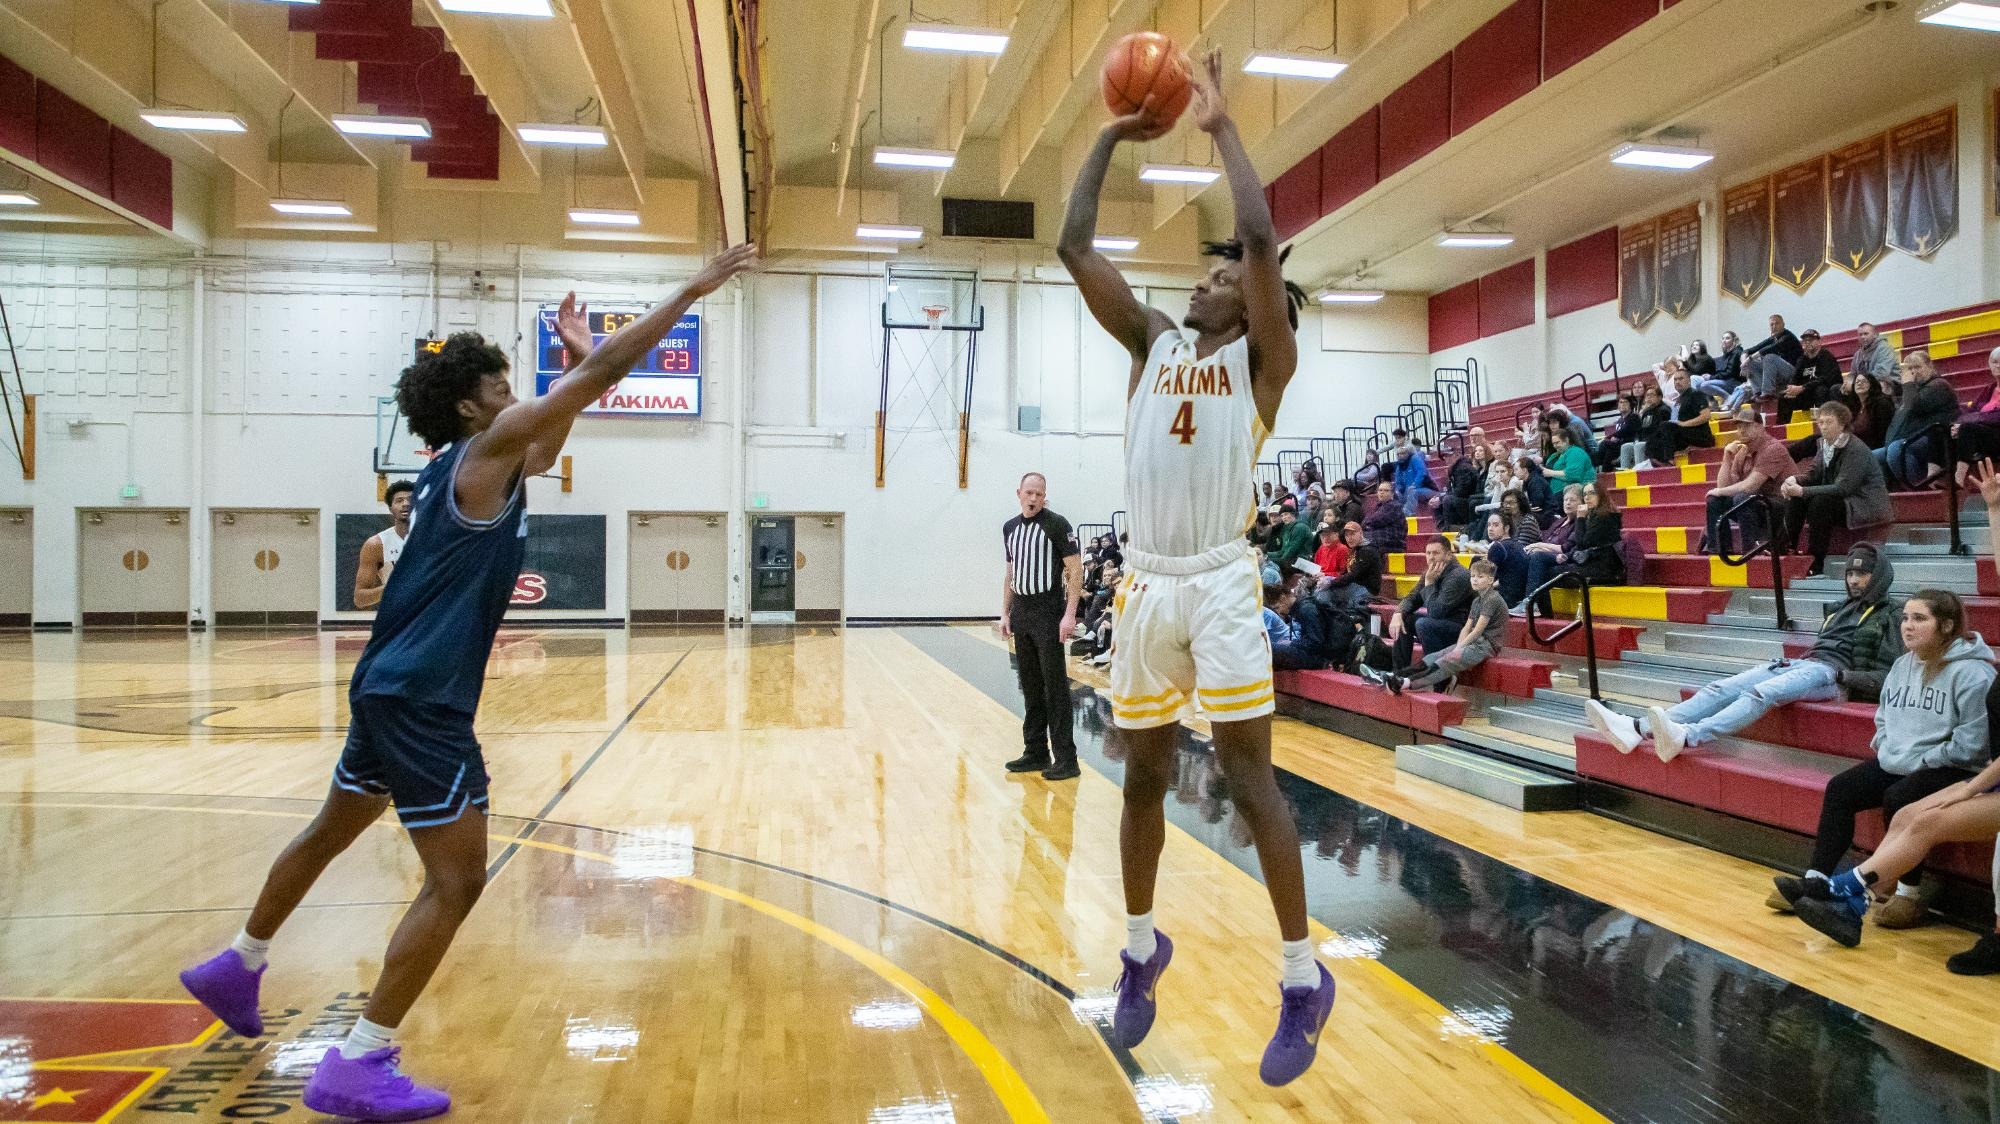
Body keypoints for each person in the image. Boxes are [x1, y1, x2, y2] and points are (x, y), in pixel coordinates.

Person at [176, 249, 762, 1118]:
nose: (511, 396)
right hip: (423, 700)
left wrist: (565, 359)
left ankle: (238, 961)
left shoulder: (482, 463)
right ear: (469, 404)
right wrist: (685, 294)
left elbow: (559, 423)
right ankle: (359, 1059)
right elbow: (604, 376)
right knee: (456, 884)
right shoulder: (482, 453)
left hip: (385, 686)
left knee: (333, 827)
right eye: (500, 384)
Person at [1056, 49, 1332, 1084]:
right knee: (1140, 780)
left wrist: (1217, 127)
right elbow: (1071, 241)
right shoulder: (1153, 340)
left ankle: (1302, 975)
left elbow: (1260, 238)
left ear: (1256, 311)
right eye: (1207, 273)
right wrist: (1111, 134)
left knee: (1250, 776)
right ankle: (1137, 953)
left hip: (1218, 577)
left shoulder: (1260, 368)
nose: (1206, 279)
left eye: (1222, 279)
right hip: (1144, 579)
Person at [1789, 589, 1997, 949]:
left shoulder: (1974, 674)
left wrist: (1917, 761)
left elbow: (1972, 746)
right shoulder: (1903, 664)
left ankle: (1907, 895)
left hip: (1952, 766)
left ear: (1946, 625)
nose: (1907, 626)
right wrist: (1886, 746)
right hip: (1902, 759)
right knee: (1842, 787)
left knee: (1901, 797)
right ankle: (1817, 880)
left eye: (1919, 619)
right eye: (1905, 618)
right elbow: (1883, 716)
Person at [1588, 543, 1899, 762]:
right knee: (1719, 688)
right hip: (1804, 664)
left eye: (1863, 574)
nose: (1854, 580)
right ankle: (1636, 728)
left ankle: (1689, 736)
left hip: (1832, 675)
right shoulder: (1839, 608)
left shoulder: (1893, 614)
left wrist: (1847, 676)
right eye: (1850, 574)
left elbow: (1891, 673)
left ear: (1879, 576)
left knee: (1761, 693)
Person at [1000, 471, 1084, 781]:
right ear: (1018, 492)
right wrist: (1005, 613)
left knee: (1055, 688)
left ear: (1044, 496)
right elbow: (1010, 574)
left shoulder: (1057, 525)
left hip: (1049, 612)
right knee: (1030, 685)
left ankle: (1066, 758)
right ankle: (1035, 751)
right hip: (1022, 612)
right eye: (1029, 493)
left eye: (1039, 494)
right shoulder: (1010, 528)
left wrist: (1069, 615)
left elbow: (1075, 572)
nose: (1033, 498)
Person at [1783, 402, 1894, 577]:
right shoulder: (1825, 444)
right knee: (1798, 495)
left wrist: (1803, 491)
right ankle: (1786, 546)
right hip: (1842, 500)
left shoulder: (1855, 448)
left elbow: (1844, 488)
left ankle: (1816, 561)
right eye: (1821, 422)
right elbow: (1813, 474)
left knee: (1819, 502)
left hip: (1863, 503)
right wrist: (1792, 481)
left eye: (1829, 422)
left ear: (1842, 424)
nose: (1824, 427)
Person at [1373, 559, 1508, 695]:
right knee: (1432, 657)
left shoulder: (1492, 599)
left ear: (1490, 580)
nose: (1475, 580)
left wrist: (1460, 648)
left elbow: (1478, 630)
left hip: (1487, 645)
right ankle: (1397, 676)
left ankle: (1406, 683)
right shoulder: (1477, 601)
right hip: (1473, 642)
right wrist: (1459, 646)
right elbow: (1467, 627)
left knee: (1446, 661)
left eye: (1480, 577)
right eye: (1473, 576)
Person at [1703, 409, 1795, 556]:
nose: (1741, 430)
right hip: (1757, 504)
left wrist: (1720, 491)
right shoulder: (1742, 452)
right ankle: (1719, 549)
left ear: (1760, 426)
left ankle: (1751, 550)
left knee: (1743, 497)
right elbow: (1724, 487)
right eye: (1739, 427)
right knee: (1715, 500)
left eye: (1746, 426)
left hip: (1783, 506)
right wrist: (1726, 457)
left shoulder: (1773, 448)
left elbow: (1751, 486)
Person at [1387, 537, 1472, 672]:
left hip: (1462, 628)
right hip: (1441, 623)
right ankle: (1400, 674)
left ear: (1449, 555)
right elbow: (1412, 597)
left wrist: (1429, 584)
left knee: (1424, 624)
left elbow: (1435, 612)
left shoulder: (1458, 575)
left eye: (1435, 553)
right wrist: (1398, 613)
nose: (1431, 558)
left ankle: (1436, 675)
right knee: (1406, 620)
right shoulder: (1431, 572)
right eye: (1428, 553)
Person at [1877, 350, 1958, 488]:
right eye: (1910, 368)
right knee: (1872, 457)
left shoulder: (1939, 385)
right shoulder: (1916, 389)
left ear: (1930, 366)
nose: (1914, 372)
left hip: (1935, 438)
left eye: (1918, 367)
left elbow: (1914, 406)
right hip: (1913, 437)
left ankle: (1920, 487)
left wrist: (1907, 384)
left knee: (1896, 450)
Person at [1522, 485, 1586, 614]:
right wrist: (1538, 546)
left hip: (1563, 559)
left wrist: (1539, 546)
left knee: (1537, 556)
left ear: (1582, 503)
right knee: (1519, 555)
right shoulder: (1559, 521)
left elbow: (1565, 548)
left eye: (1572, 500)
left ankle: (1529, 603)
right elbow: (1545, 540)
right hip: (1547, 556)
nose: (1568, 503)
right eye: (1565, 500)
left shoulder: (1580, 524)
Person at [354, 480, 414, 610]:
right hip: (397, 618)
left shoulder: (435, 538)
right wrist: (393, 587)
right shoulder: (376, 544)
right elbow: (359, 599)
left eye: (411, 499)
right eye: (399, 500)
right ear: (390, 508)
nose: (406, 504)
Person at [1645, 366, 1714, 468]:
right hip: (1686, 434)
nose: (1677, 382)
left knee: (1665, 426)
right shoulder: (1680, 399)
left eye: (1681, 379)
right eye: (1675, 379)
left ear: (1689, 381)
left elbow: (1706, 416)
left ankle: (1670, 460)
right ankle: (1661, 463)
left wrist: (1683, 424)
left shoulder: (1695, 394)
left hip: (1701, 435)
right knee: (1653, 438)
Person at [1950, 349, 2000, 487]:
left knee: (1968, 428)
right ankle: (1933, 477)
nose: (1998, 366)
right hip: (1982, 434)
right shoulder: (1989, 389)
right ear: (1989, 365)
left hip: (1996, 435)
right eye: (1995, 362)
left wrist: (1975, 419)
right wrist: (1957, 425)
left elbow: (1996, 417)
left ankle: (1958, 477)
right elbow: (1971, 411)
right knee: (1942, 429)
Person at [1778, 329, 1842, 426]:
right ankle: (1781, 428)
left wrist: (1802, 387)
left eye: (1811, 340)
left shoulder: (1826, 356)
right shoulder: (1802, 359)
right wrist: (1791, 388)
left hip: (1826, 392)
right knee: (1785, 395)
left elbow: (1825, 379)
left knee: (1820, 390)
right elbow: (1795, 377)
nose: (1808, 343)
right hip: (1807, 394)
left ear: (1819, 342)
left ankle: (1824, 423)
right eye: (1805, 341)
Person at [1437, 441, 1490, 532]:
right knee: (1436, 501)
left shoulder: (1463, 468)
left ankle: (1449, 528)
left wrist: (1442, 498)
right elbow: (1452, 489)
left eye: (1449, 456)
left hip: (1470, 498)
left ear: (1457, 455)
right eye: (1445, 457)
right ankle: (1444, 527)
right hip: (1465, 498)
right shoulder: (1455, 468)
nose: (1447, 459)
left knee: (1447, 500)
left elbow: (1463, 490)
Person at [1622, 384, 1673, 470]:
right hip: (1645, 440)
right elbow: (1641, 430)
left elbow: (1662, 430)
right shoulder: (1647, 411)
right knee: (1626, 446)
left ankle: (1639, 473)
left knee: (1639, 446)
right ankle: (1624, 470)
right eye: (1647, 395)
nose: (1649, 398)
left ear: (1660, 397)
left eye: (1652, 395)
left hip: (1657, 442)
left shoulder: (1664, 410)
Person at [1538, 425, 1596, 490]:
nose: (1555, 446)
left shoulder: (1575, 452)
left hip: (1577, 491)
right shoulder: (1556, 455)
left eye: (1557, 443)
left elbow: (1573, 475)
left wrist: (1550, 473)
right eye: (1553, 443)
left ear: (1566, 440)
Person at [1393, 431, 1434, 515]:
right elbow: (1398, 483)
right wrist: (1397, 490)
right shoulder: (1399, 466)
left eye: (1403, 453)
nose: (1400, 456)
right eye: (1398, 454)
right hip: (1409, 491)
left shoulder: (1414, 459)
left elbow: (1422, 472)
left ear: (1408, 453)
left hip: (1427, 489)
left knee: (1412, 491)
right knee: (1396, 494)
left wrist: (1415, 485)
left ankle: (1408, 515)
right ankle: (1398, 516)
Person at [1596, 395, 1639, 473]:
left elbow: (1625, 430)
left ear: (1630, 404)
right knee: (1609, 450)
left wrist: (1612, 436)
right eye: (1621, 402)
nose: (1623, 404)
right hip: (1618, 445)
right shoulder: (1620, 420)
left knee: (1605, 443)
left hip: (1629, 444)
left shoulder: (1634, 417)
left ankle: (1598, 466)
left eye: (1625, 402)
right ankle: (1604, 472)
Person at [1363, 478, 1407, 553]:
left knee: (1362, 540)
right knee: (1357, 538)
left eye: (1386, 490)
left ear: (1392, 494)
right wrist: (1367, 523)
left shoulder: (1394, 506)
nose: (1382, 493)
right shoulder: (1379, 506)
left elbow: (1377, 521)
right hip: (1382, 537)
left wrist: (1367, 523)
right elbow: (1368, 521)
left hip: (1393, 541)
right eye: (1380, 490)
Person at [1849, 321, 1898, 385]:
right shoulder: (1857, 355)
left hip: (1890, 384)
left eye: (1866, 334)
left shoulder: (1885, 348)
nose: (1863, 337)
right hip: (1866, 384)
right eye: (1860, 335)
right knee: (1836, 389)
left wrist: (1861, 381)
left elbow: (1882, 373)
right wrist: (1849, 382)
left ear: (1875, 335)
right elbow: (1852, 374)